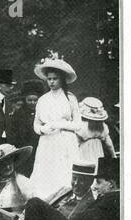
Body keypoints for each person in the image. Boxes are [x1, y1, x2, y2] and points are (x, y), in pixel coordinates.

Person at [28, 55, 87, 198]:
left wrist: (60, 124)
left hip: (65, 141)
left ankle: (65, 198)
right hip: (47, 141)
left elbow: (78, 124)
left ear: (61, 79)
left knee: (64, 172)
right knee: (46, 173)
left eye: (55, 78)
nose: (52, 82)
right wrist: (42, 129)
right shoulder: (42, 100)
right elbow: (36, 124)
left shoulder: (70, 98)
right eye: (49, 79)